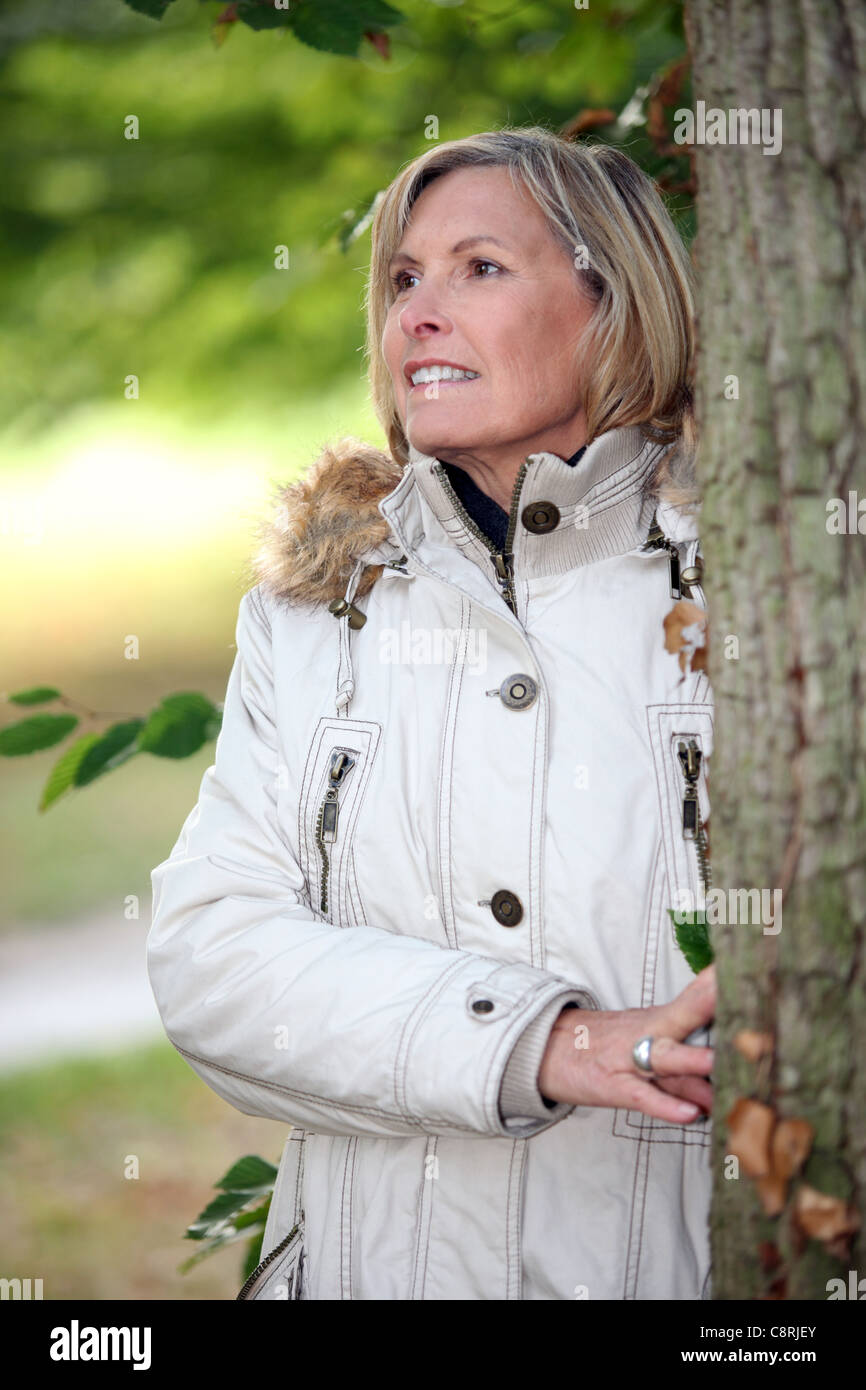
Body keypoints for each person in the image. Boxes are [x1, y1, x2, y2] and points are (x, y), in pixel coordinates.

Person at [148, 125, 717, 1301]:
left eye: (480, 268)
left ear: (613, 307)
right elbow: (213, 958)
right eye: (404, 278)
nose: (418, 311)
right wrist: (539, 1044)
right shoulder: (314, 609)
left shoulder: (757, 588)